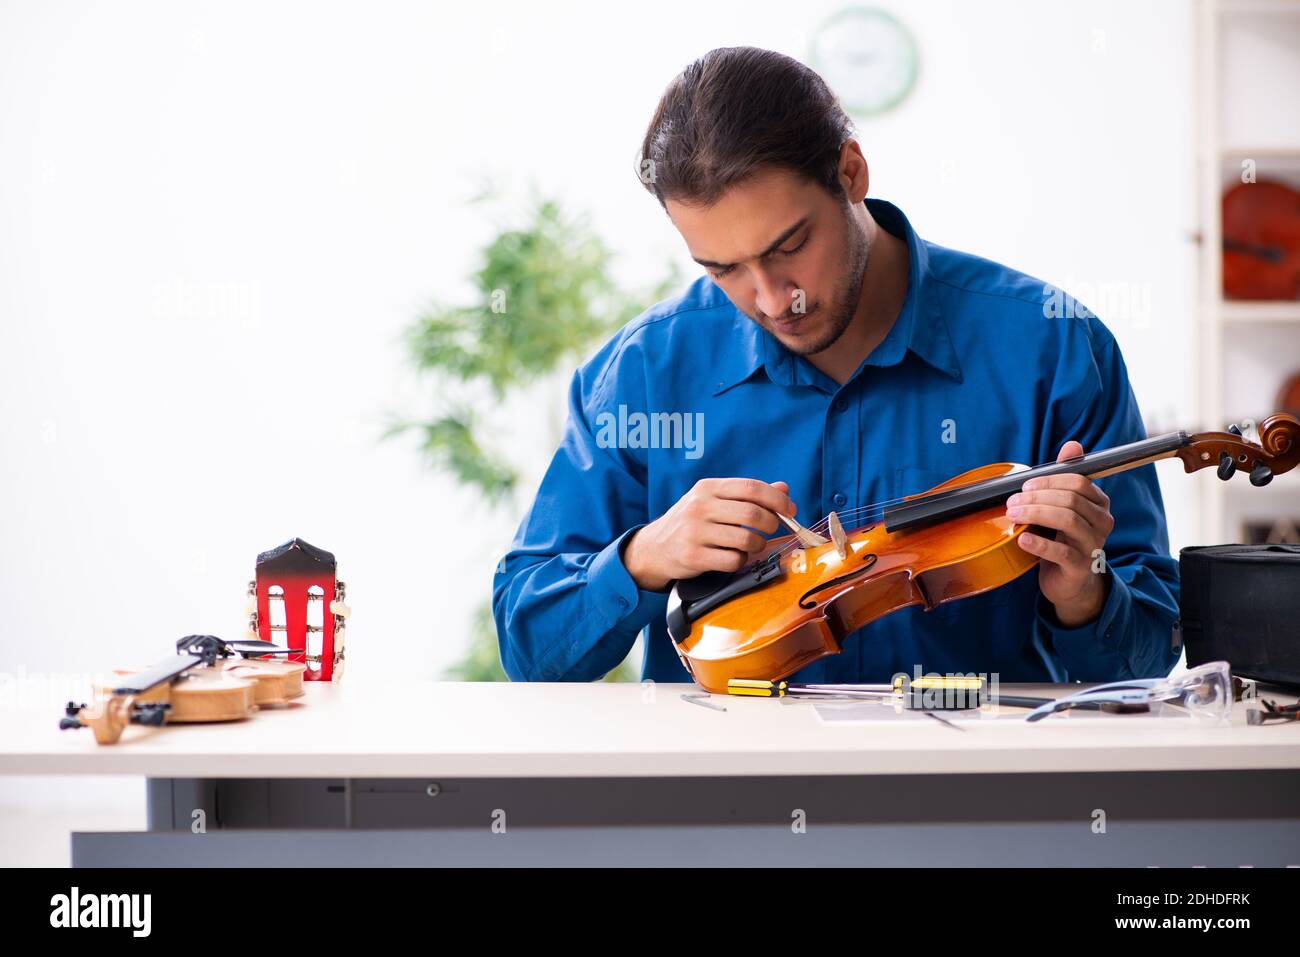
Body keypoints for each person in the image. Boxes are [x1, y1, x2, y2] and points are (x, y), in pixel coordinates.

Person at [493, 46, 1179, 685]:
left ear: (851, 172)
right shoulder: (642, 374)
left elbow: (1149, 654)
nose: (770, 298)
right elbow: (531, 648)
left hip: (979, 799)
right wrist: (641, 558)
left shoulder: (1053, 348)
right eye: (723, 268)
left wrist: (1084, 595)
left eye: (789, 244)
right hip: (726, 801)